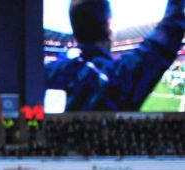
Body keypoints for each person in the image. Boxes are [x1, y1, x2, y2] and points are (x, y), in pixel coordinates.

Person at [45, 0, 185, 111]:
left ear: (74, 33)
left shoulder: (46, 73)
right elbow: (169, 31)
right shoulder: (120, 75)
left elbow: (30, 117)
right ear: (109, 25)